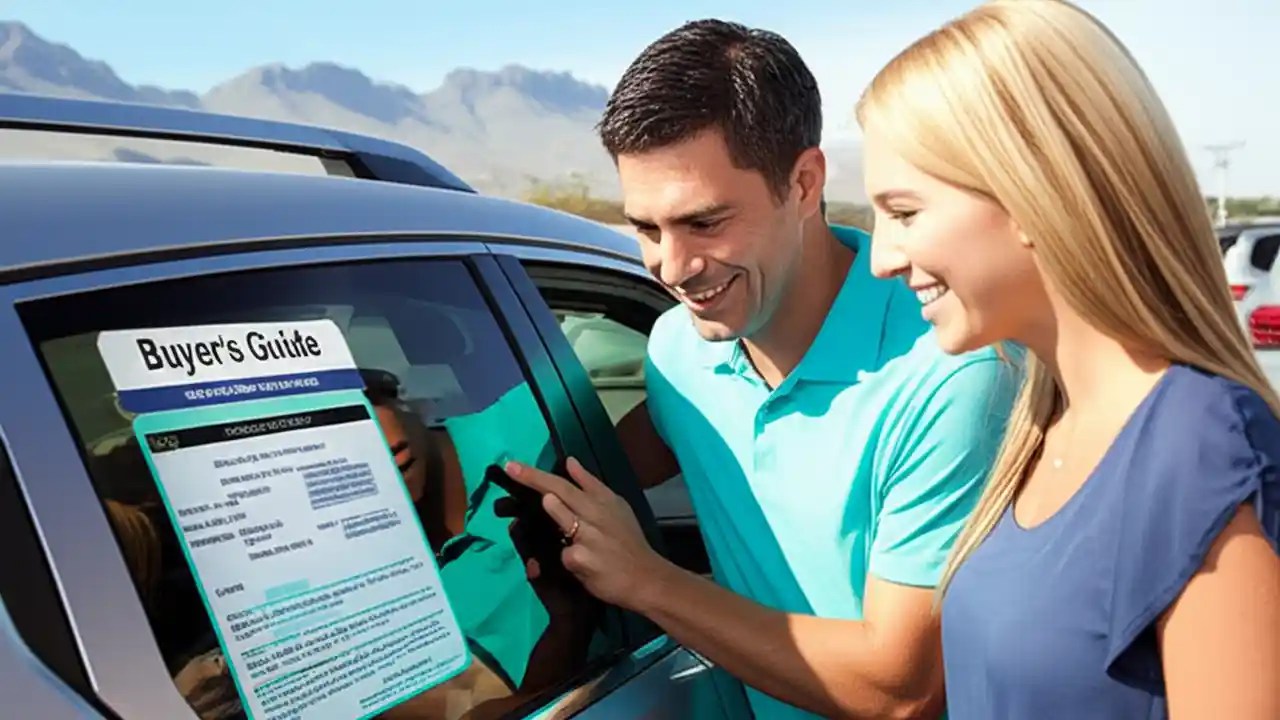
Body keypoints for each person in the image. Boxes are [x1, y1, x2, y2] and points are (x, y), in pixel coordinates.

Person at [503, 18, 1019, 720]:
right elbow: (621, 455)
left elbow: (903, 691)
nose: (672, 268)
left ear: (804, 183)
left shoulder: (950, 372)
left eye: (705, 223)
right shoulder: (676, 353)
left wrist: (647, 582)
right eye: (647, 229)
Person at [855, 1, 1280, 718]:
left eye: (904, 213)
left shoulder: (1200, 451)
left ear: (1030, 191)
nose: (881, 258)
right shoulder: (1043, 418)